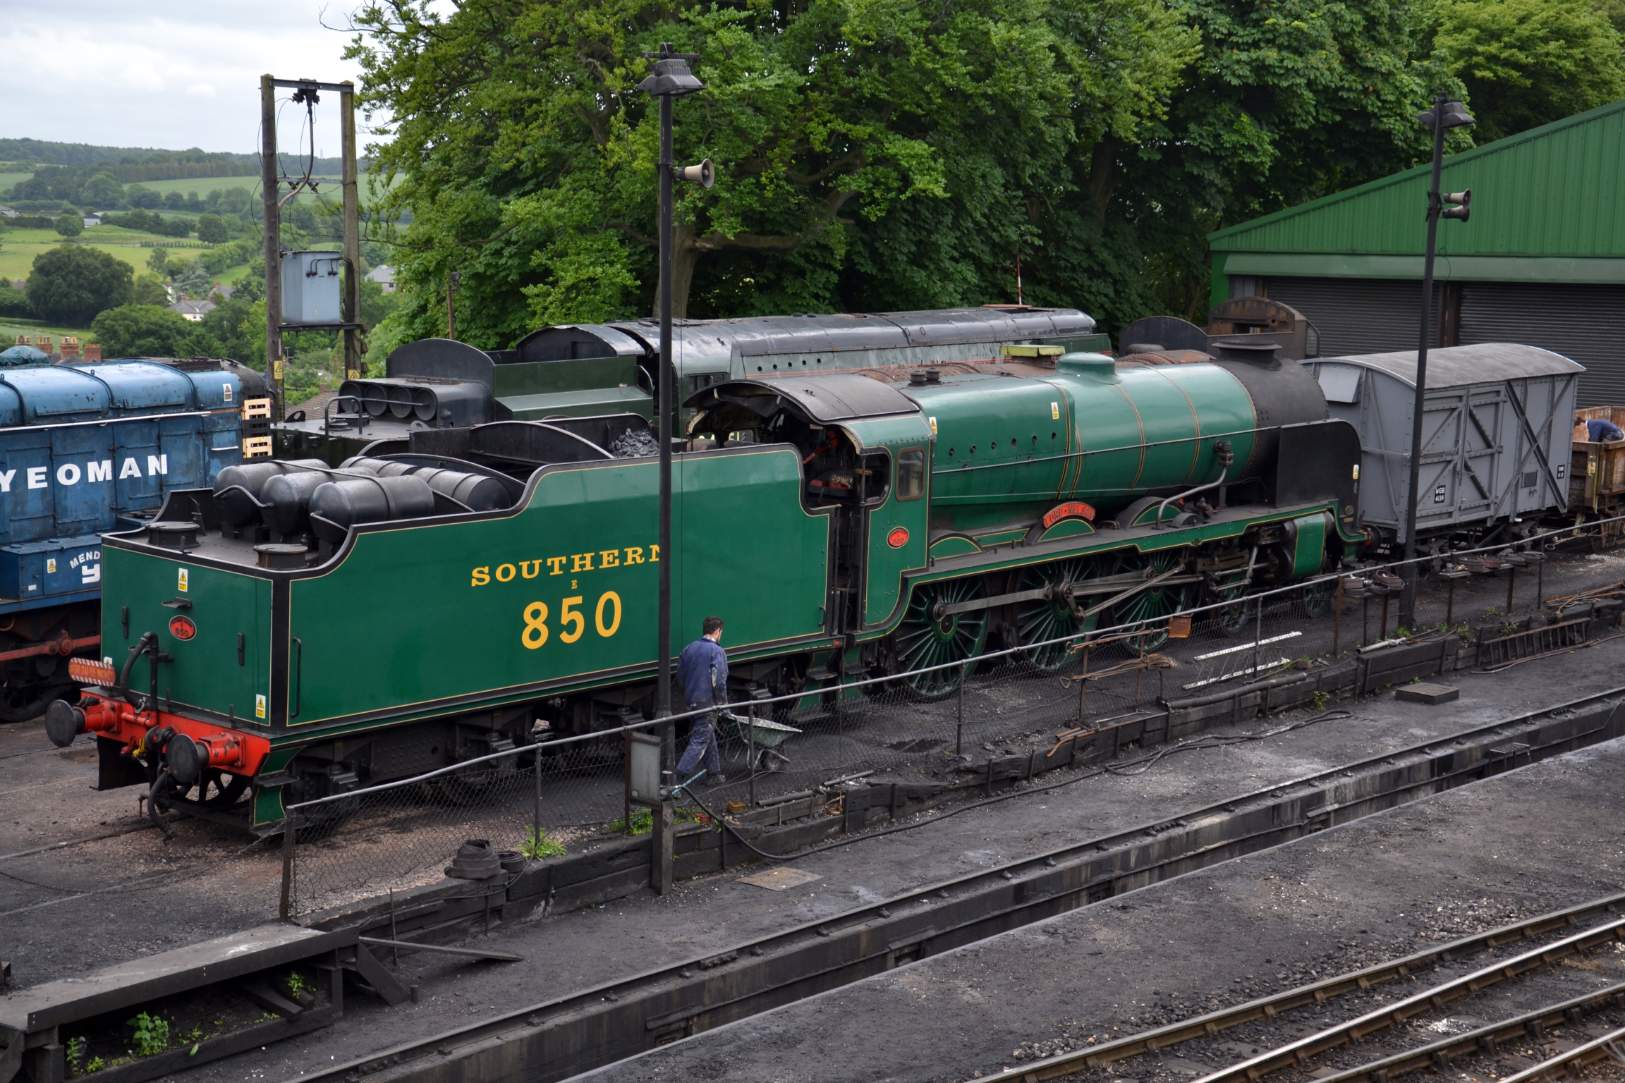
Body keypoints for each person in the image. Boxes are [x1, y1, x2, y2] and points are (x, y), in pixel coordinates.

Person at [675, 616, 729, 783]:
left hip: (692, 701)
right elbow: (719, 681)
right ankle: (674, 781)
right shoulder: (717, 651)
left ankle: (714, 773)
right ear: (717, 631)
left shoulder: (688, 649)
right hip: (707, 704)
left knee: (707, 734)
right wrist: (723, 704)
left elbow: (680, 677)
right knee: (699, 741)